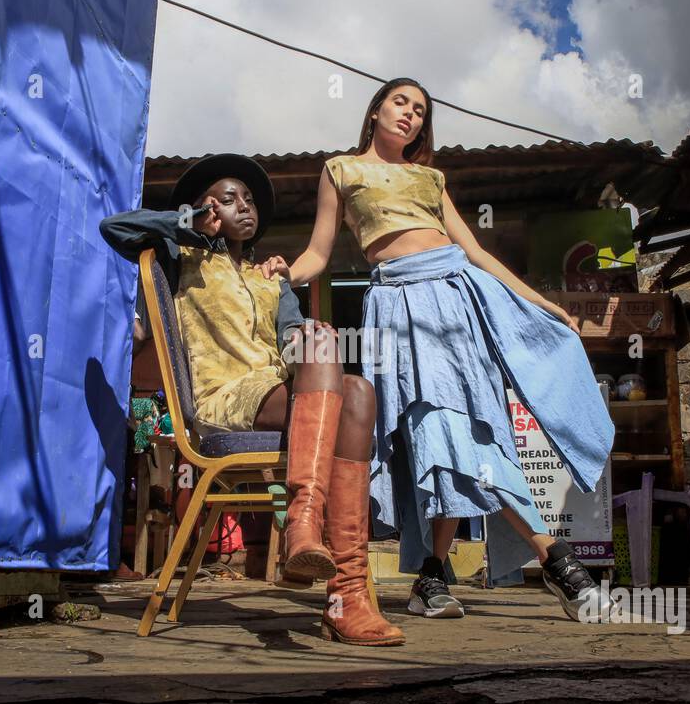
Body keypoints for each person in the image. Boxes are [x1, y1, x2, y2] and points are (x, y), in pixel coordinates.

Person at [256, 79, 614, 621]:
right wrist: (284, 269)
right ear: (376, 109)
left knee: (466, 431)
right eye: (401, 102)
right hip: (400, 308)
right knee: (440, 429)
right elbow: (317, 254)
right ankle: (559, 564)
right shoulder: (340, 170)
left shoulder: (430, 178)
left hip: (458, 299)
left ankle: (430, 578)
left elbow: (476, 254)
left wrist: (543, 305)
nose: (411, 115)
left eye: (421, 111)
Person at [99, 153, 404, 645]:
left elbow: (289, 341)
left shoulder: (272, 278)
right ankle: (313, 544)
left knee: (357, 387)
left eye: (248, 200)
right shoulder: (182, 256)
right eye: (227, 199)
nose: (243, 206)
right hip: (222, 401)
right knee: (329, 359)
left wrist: (301, 337)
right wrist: (189, 222)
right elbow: (115, 228)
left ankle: (338, 582)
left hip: (283, 392)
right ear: (204, 209)